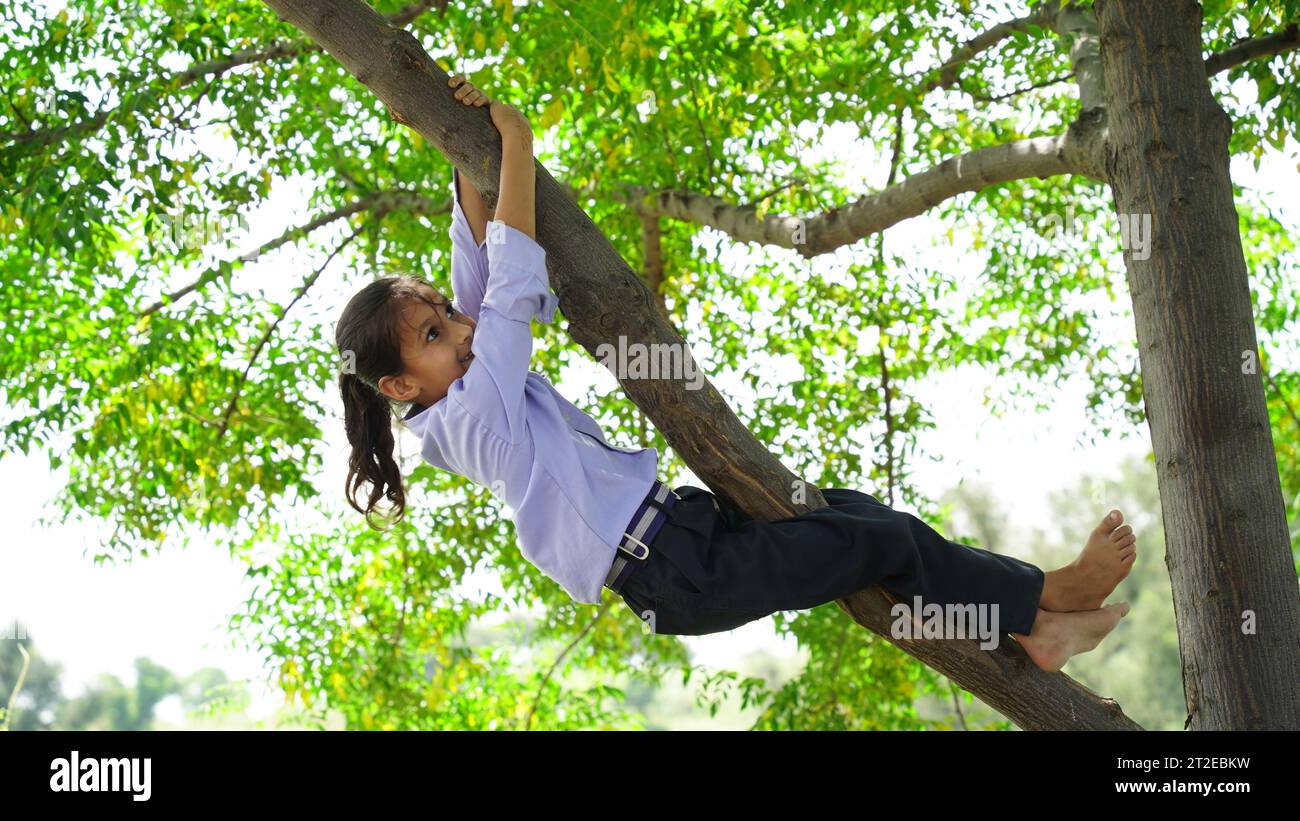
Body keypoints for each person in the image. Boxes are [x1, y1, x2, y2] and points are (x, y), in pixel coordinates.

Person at [333, 76, 1137, 673]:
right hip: (681, 571)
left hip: (678, 530)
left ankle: (1029, 631)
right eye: (437, 332)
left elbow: (476, 272)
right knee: (879, 538)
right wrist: (514, 140)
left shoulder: (461, 379)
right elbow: (504, 288)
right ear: (402, 385)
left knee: (853, 515)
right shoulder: (474, 416)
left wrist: (459, 132)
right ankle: (1048, 597)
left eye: (446, 313)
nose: (461, 326)